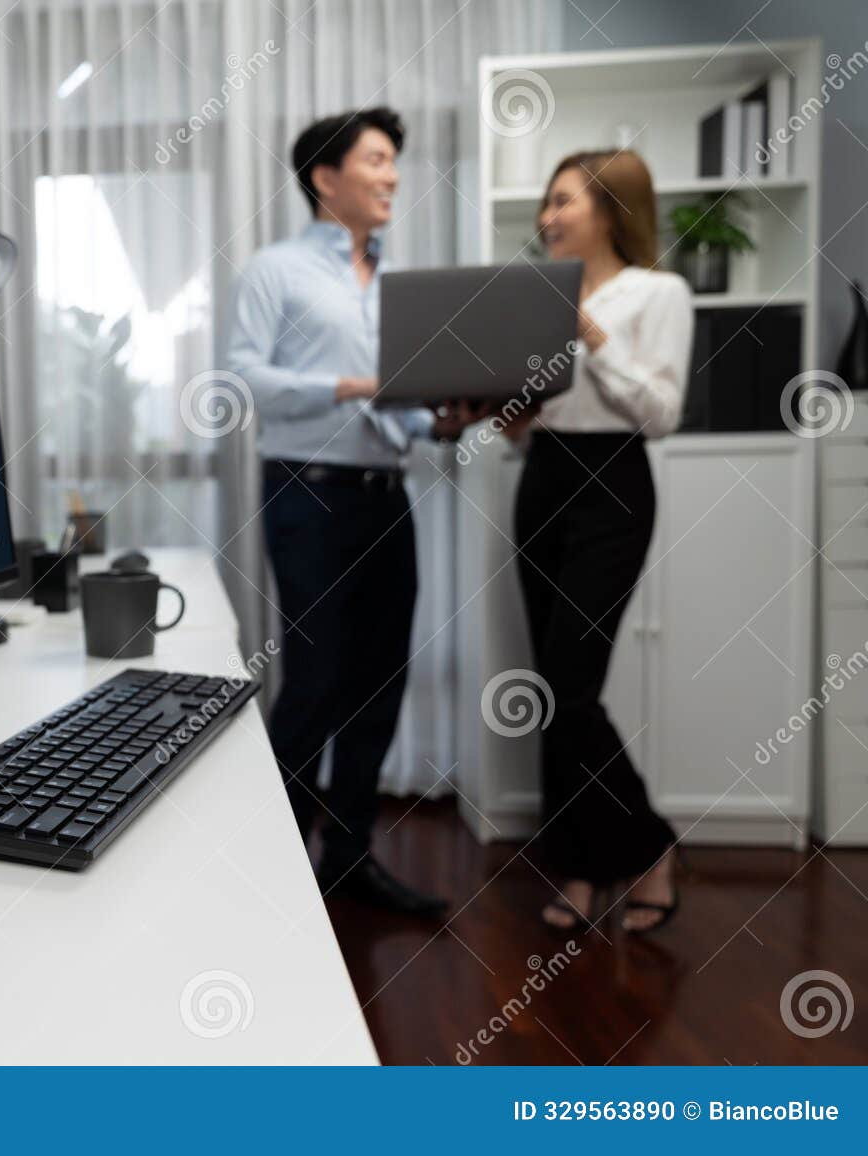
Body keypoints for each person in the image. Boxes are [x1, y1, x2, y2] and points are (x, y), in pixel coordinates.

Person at [225, 109, 476, 915]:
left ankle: (348, 860)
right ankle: (275, 868)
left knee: (379, 683)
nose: (393, 175)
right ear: (325, 177)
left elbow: (395, 407)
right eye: (376, 160)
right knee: (315, 680)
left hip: (383, 499)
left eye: (395, 162)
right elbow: (244, 377)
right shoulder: (276, 270)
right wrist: (346, 386)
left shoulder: (398, 288)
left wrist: (440, 422)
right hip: (306, 495)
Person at [502, 149, 692, 934]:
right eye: (546, 205)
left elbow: (662, 412)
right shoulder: (535, 298)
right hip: (544, 477)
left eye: (563, 202)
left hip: (613, 484)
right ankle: (578, 867)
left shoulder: (659, 292)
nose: (547, 218)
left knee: (573, 686)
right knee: (550, 687)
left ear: (610, 211)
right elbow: (531, 425)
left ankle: (649, 849)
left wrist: (591, 334)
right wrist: (513, 418)